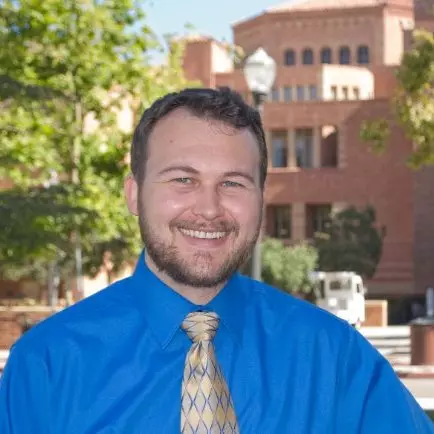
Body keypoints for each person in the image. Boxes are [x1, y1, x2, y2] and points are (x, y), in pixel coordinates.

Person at [0, 87, 432, 434]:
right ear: (133, 194)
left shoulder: (335, 359)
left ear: (261, 200)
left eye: (233, 183)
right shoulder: (47, 365)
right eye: (183, 179)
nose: (208, 209)